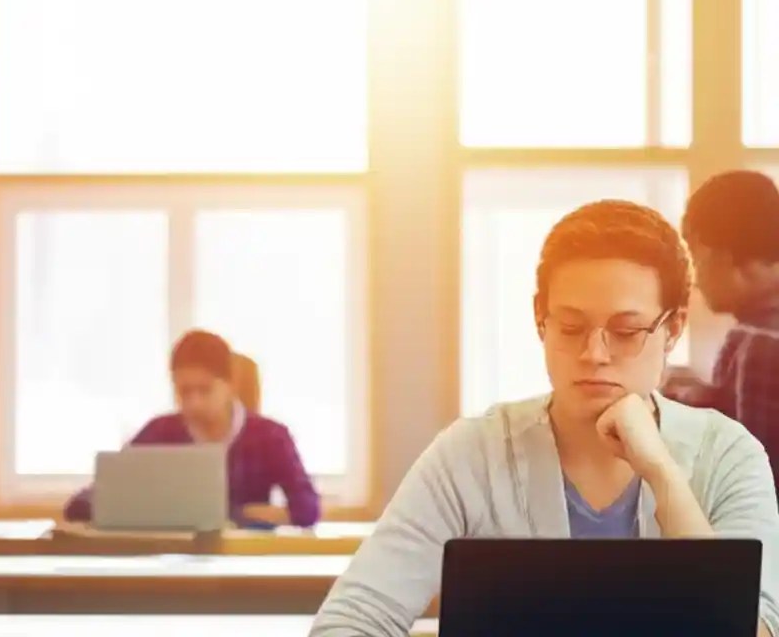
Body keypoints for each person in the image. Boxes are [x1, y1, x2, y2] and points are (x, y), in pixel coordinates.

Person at [310, 200, 779, 637]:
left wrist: (662, 474)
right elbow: (350, 620)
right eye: (571, 328)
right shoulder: (473, 453)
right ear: (541, 319)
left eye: (626, 331)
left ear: (672, 329)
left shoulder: (728, 455)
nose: (594, 354)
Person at [63, 329, 320, 528]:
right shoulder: (160, 432)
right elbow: (86, 502)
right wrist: (240, 515)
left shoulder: (271, 436)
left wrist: (280, 516)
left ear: (230, 384)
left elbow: (308, 509)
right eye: (184, 391)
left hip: (242, 567)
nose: (193, 402)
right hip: (171, 566)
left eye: (204, 390)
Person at [670, 170, 779, 491]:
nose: (696, 279)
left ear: (724, 255)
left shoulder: (757, 344)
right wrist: (710, 398)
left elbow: (751, 477)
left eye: (697, 258)